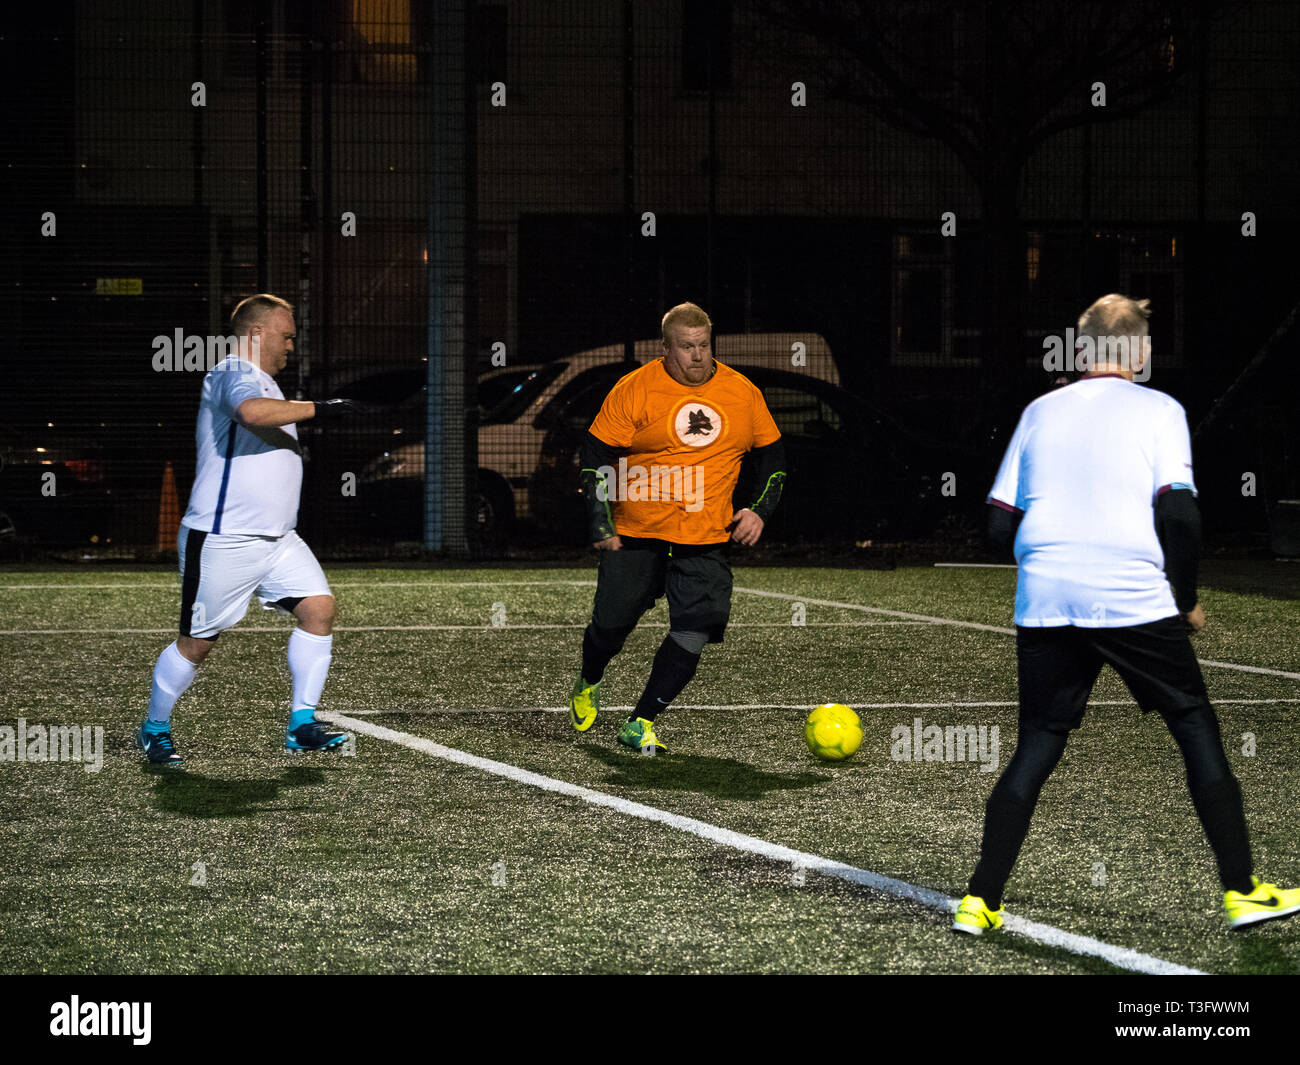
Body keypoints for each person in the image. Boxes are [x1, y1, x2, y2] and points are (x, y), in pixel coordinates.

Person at [954, 294, 1300, 933]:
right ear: (1140, 353)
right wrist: (1185, 598)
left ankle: (980, 901)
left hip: (1049, 598)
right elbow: (1179, 514)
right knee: (1194, 724)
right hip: (1131, 596)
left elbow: (998, 526)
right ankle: (1244, 891)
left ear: (1082, 350)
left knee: (1037, 743)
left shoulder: (1038, 411)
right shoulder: (1161, 409)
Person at [137, 294, 363, 767]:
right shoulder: (232, 373)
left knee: (318, 610)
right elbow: (252, 414)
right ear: (257, 333)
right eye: (287, 336)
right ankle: (154, 727)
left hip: (278, 539)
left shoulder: (264, 383)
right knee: (198, 643)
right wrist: (321, 408)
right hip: (224, 537)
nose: (291, 347)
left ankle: (302, 724)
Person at [568, 302, 787, 754]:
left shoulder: (742, 393)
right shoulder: (634, 390)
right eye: (686, 347)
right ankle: (590, 678)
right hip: (636, 534)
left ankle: (641, 720)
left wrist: (759, 511)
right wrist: (600, 519)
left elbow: (774, 457)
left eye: (704, 345)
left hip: (705, 539)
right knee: (610, 627)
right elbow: (593, 456)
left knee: (695, 629)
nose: (698, 355)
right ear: (665, 348)